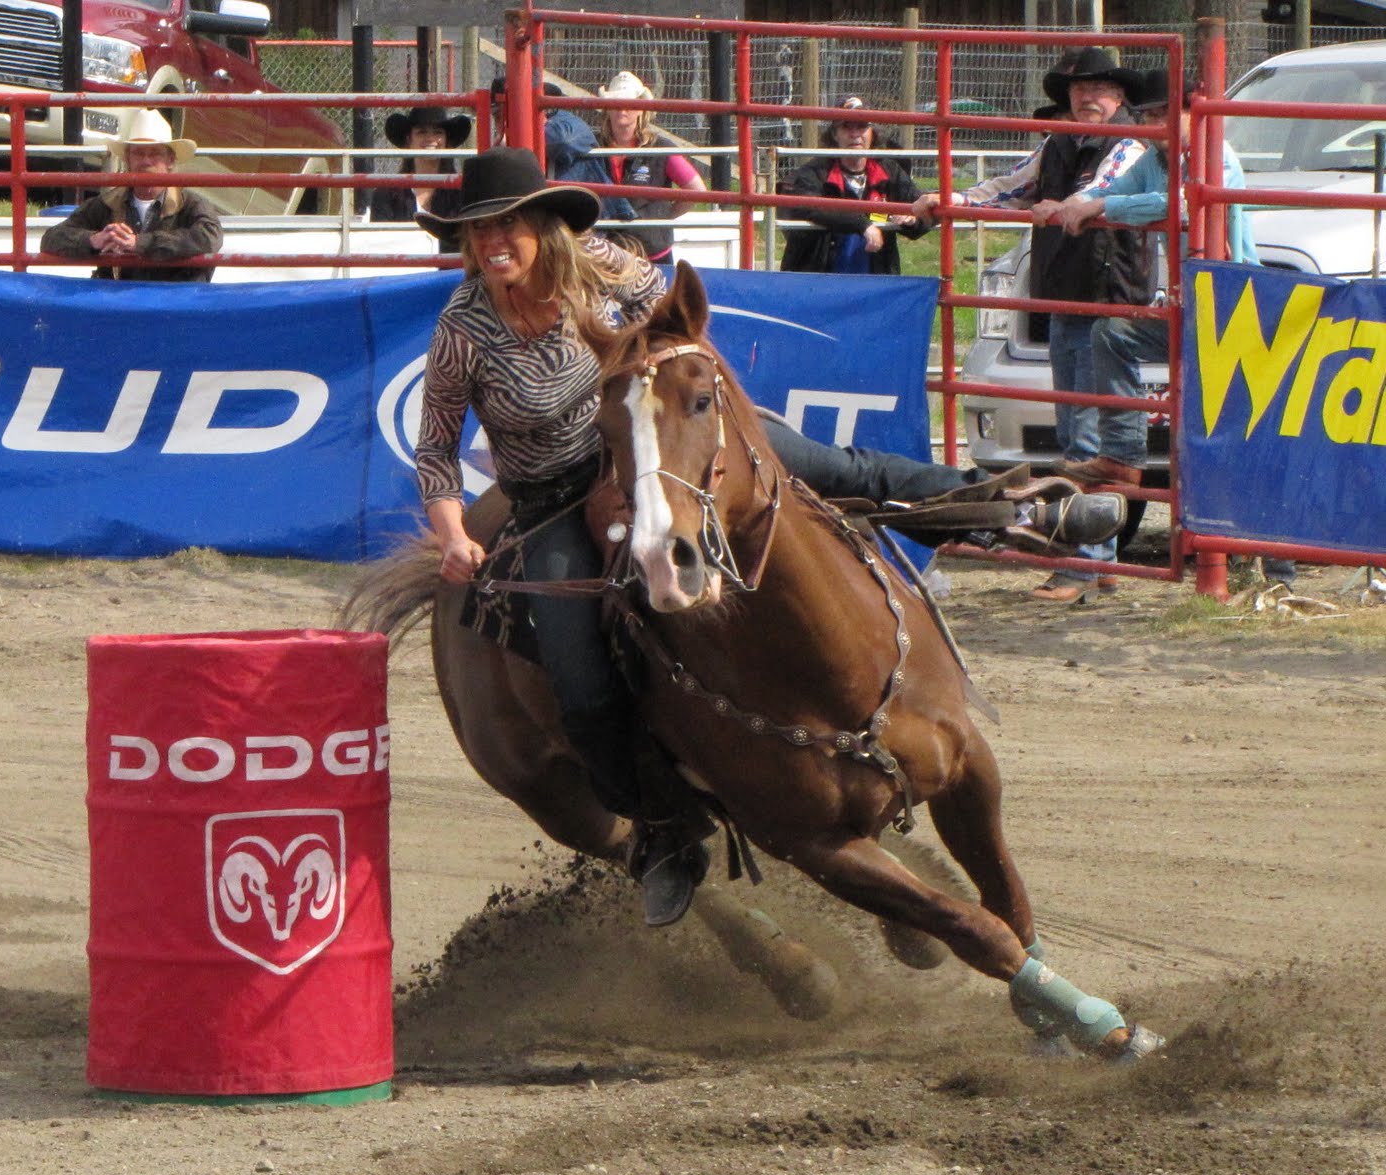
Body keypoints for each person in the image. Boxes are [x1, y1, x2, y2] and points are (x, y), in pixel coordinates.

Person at [412, 147, 1125, 928]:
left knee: (842, 469)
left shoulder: (604, 265)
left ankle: (1022, 509)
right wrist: (452, 534)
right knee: (579, 677)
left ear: (544, 227)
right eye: (477, 233)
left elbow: (678, 332)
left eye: (507, 226)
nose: (491, 245)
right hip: (554, 497)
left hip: (668, 451)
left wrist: (699, 414)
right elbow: (437, 447)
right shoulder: (464, 328)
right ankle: (664, 829)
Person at [1041, 68, 1297, 587]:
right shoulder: (1157, 156)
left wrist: (1102, 205)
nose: (1156, 123)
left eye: (1164, 113)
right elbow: (1127, 194)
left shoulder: (1213, 154)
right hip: (1192, 304)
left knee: (1237, 430)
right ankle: (1123, 456)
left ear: (1190, 112)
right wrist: (1081, 202)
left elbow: (1183, 204)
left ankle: (1278, 565)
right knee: (1113, 332)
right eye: (1150, 115)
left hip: (1232, 305)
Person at [913, 48, 1151, 603]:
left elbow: (1102, 193)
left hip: (1108, 299)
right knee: (1082, 432)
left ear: (1119, 96)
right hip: (1073, 296)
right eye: (1079, 89)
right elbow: (1013, 185)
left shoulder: (1130, 144)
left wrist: (1065, 205)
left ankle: (1084, 565)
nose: (1088, 97)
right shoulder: (1059, 141)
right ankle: (1099, 560)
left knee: (1090, 435)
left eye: (1101, 88)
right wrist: (951, 199)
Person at [39, 111, 223, 282]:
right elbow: (51, 239)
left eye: (155, 153)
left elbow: (209, 238)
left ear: (170, 160)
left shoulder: (191, 204)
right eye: (139, 153)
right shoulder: (105, 203)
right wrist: (93, 239)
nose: (146, 161)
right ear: (128, 159)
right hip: (123, 304)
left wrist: (139, 243)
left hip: (172, 304)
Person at [779, 94, 932, 275]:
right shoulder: (815, 171)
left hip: (874, 283)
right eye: (846, 127)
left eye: (862, 126)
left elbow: (923, 211)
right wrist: (863, 225)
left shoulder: (888, 170)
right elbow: (808, 205)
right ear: (834, 135)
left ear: (872, 132)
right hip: (820, 282)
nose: (855, 134)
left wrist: (911, 219)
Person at [489, 77, 636, 226]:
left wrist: (518, 136)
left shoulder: (566, 122)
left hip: (590, 223)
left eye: (510, 113)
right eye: (498, 116)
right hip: (557, 220)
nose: (503, 122)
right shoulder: (503, 141)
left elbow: (563, 141)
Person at [594, 70, 706, 264]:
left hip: (651, 254)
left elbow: (696, 190)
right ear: (607, 108)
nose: (623, 109)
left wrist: (661, 218)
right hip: (607, 253)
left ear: (641, 109)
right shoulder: (592, 147)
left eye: (630, 103)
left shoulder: (660, 148)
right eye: (616, 102)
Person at [368, 105, 469, 255]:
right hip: (404, 276)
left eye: (438, 132)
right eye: (421, 132)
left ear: (446, 140)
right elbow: (379, 245)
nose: (430, 139)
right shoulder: (386, 194)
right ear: (409, 139)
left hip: (451, 275)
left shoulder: (461, 192)